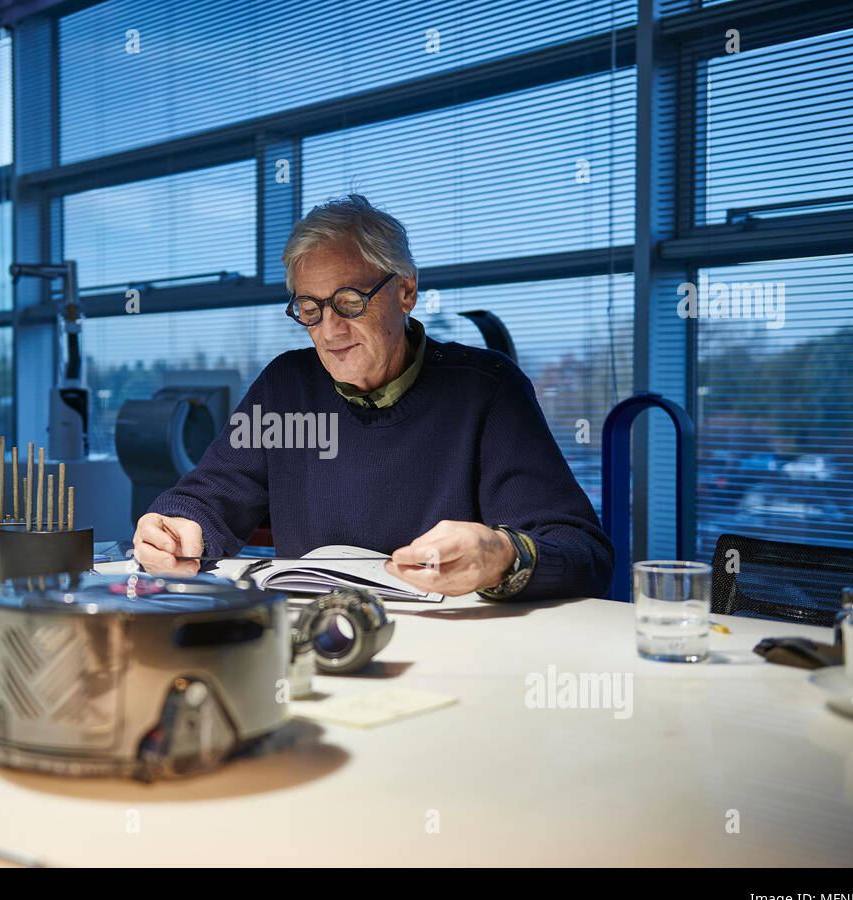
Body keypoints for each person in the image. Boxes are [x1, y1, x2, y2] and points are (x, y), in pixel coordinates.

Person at [133, 194, 613, 600]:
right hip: (319, 641)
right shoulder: (286, 388)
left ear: (406, 291)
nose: (329, 329)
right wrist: (177, 528)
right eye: (309, 308)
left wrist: (504, 556)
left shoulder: (485, 390)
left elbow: (580, 551)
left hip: (457, 649)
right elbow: (209, 496)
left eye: (349, 301)